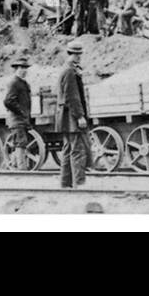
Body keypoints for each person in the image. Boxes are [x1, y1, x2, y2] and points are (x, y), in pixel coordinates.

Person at [57, 42, 90, 188]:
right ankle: (79, 183)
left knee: (68, 150)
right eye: (77, 54)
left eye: (79, 54)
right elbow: (72, 96)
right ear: (72, 55)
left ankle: (65, 183)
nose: (79, 57)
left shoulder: (67, 70)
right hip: (71, 118)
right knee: (78, 150)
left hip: (66, 117)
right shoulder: (70, 71)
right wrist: (80, 116)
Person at [3, 55, 33, 170]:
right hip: (17, 119)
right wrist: (20, 112)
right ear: (16, 69)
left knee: (20, 143)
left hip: (23, 119)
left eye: (26, 68)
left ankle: (12, 166)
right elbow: (8, 101)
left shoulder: (23, 83)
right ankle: (22, 170)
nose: (24, 70)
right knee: (20, 143)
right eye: (22, 68)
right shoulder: (14, 82)